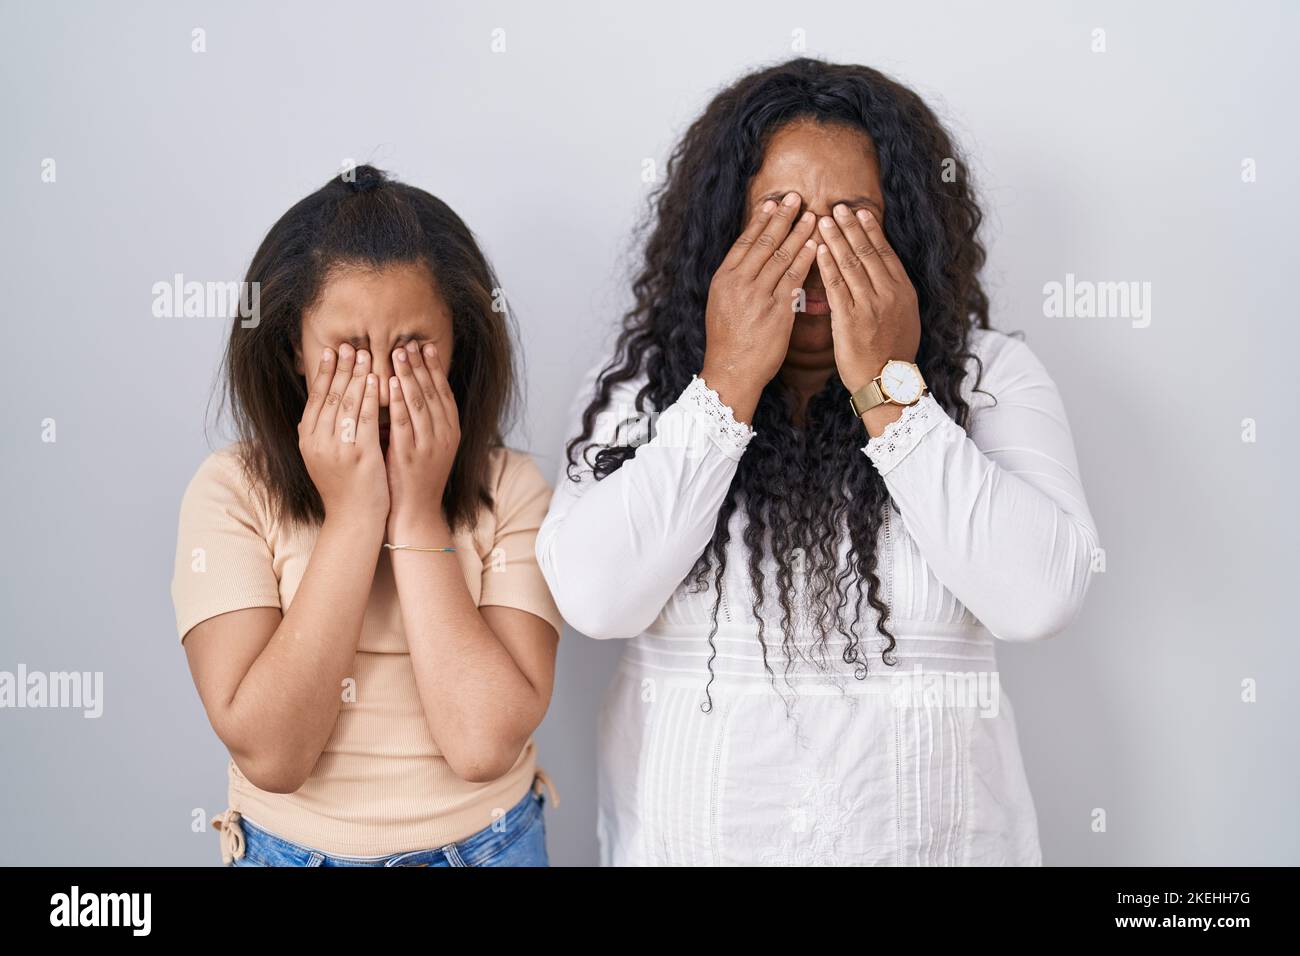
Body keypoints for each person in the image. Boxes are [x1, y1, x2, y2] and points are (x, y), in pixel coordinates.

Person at [537, 59, 1099, 866]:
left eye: (853, 220)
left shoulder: (988, 378)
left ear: (903, 237)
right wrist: (727, 381)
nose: (814, 255)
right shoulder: (638, 385)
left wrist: (889, 391)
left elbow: (1040, 599)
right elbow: (595, 598)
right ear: (725, 233)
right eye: (781, 216)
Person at [171, 166, 562, 867]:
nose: (381, 384)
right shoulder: (231, 491)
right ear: (293, 347)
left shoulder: (515, 489)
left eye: (413, 348)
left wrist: (415, 517)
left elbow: (481, 745)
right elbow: (273, 754)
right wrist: (355, 518)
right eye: (348, 352)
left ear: (460, 342)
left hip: (492, 846)